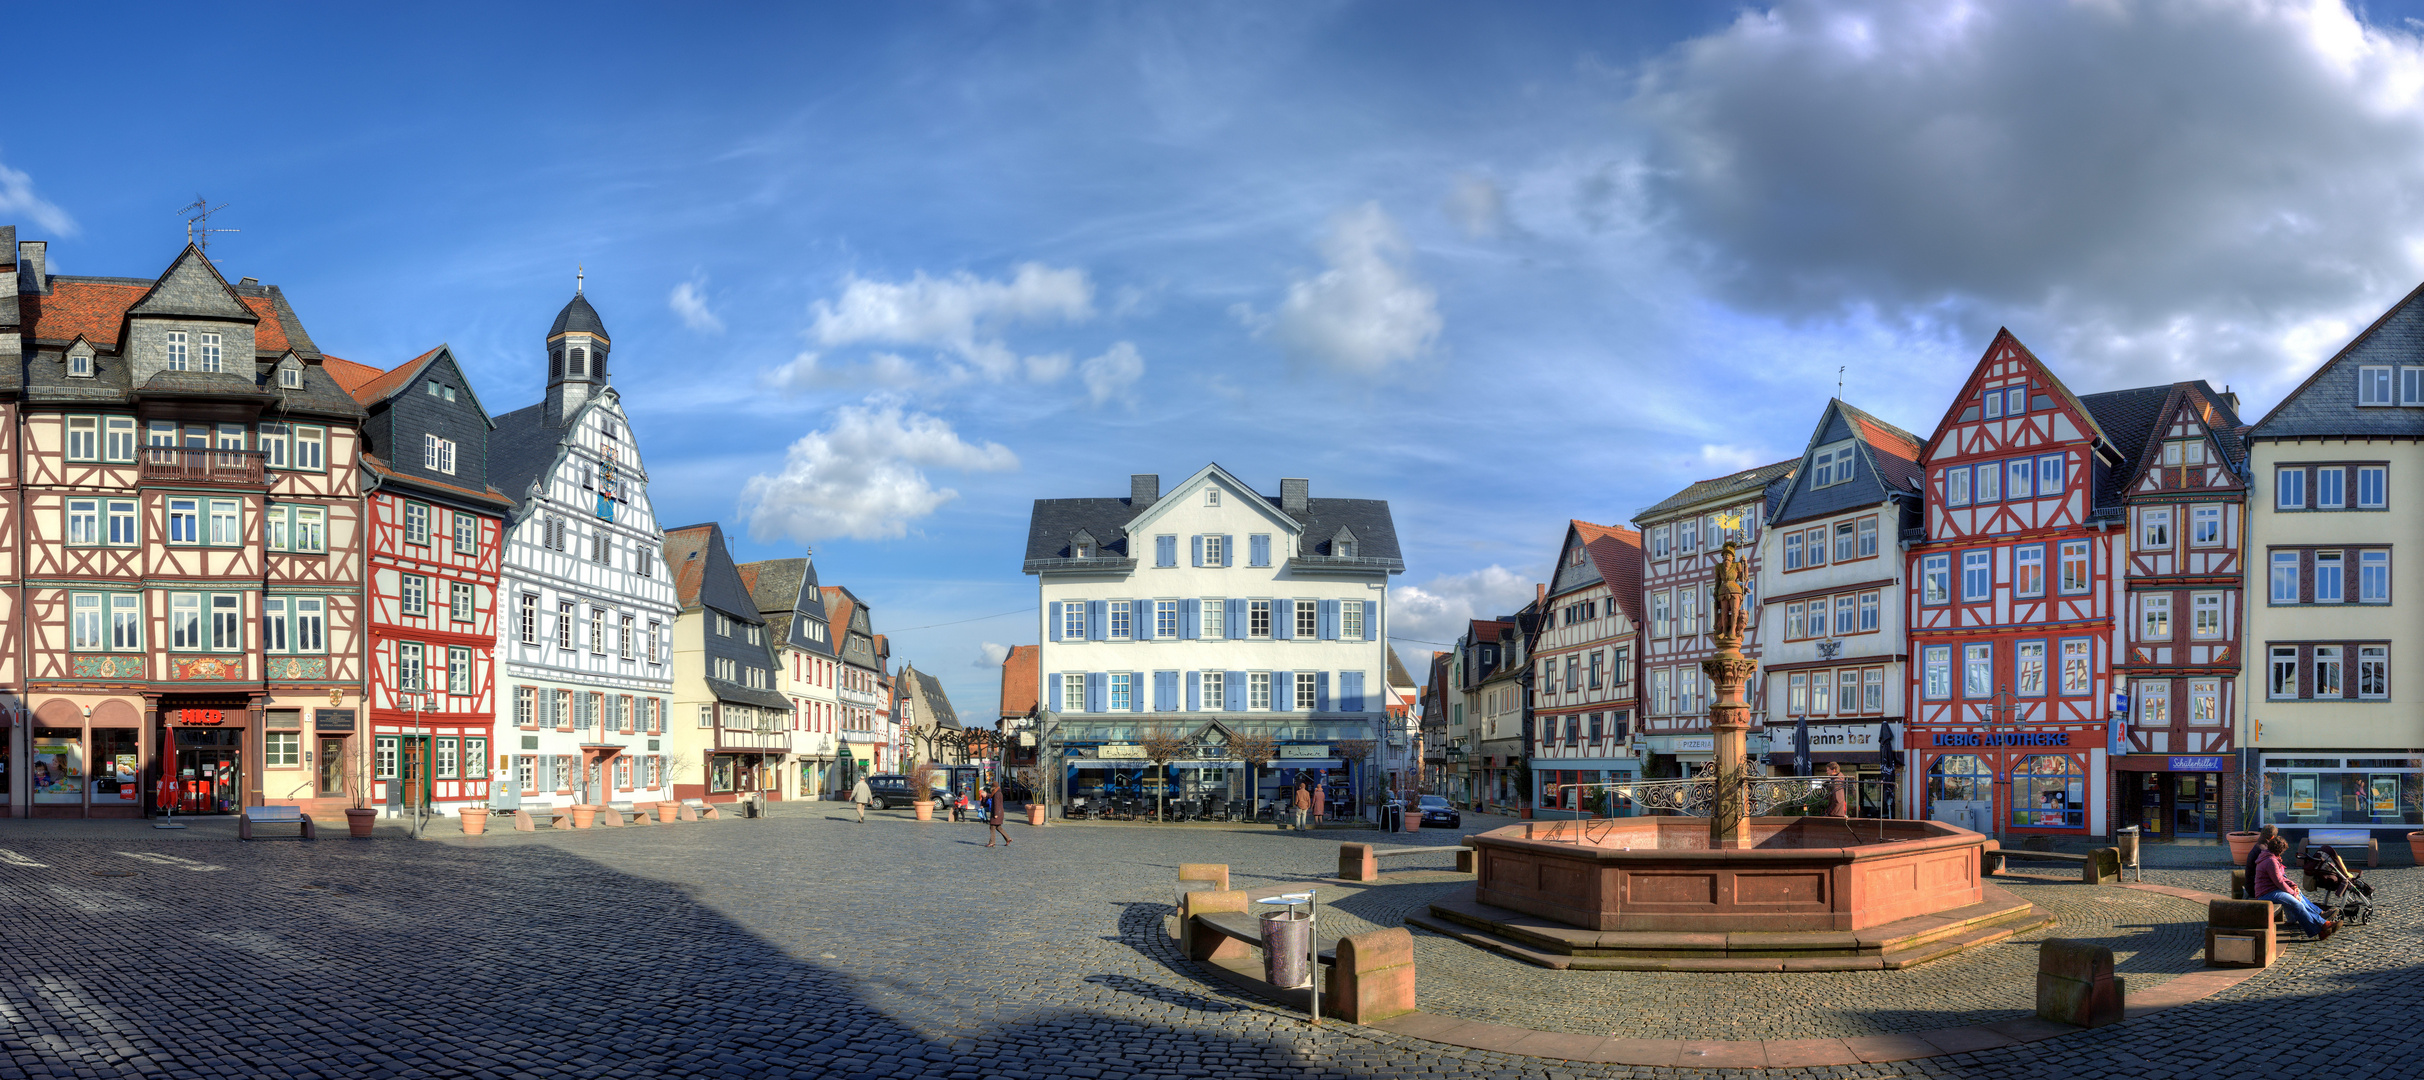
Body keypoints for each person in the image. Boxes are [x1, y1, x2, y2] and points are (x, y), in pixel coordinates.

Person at [2251, 836, 2336, 940]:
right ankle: (2318, 929)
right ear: (2280, 850)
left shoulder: (2271, 858)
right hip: (2266, 894)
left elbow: (2281, 878)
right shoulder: (2270, 861)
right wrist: (2293, 894)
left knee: (2298, 893)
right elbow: (2279, 882)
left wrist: (2293, 886)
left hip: (2273, 890)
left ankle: (2322, 920)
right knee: (2296, 903)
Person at [2243, 824, 2281, 889]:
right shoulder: (2264, 851)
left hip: (2251, 885)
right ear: (2272, 837)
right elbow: (2273, 873)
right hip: (2257, 888)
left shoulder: (2259, 846)